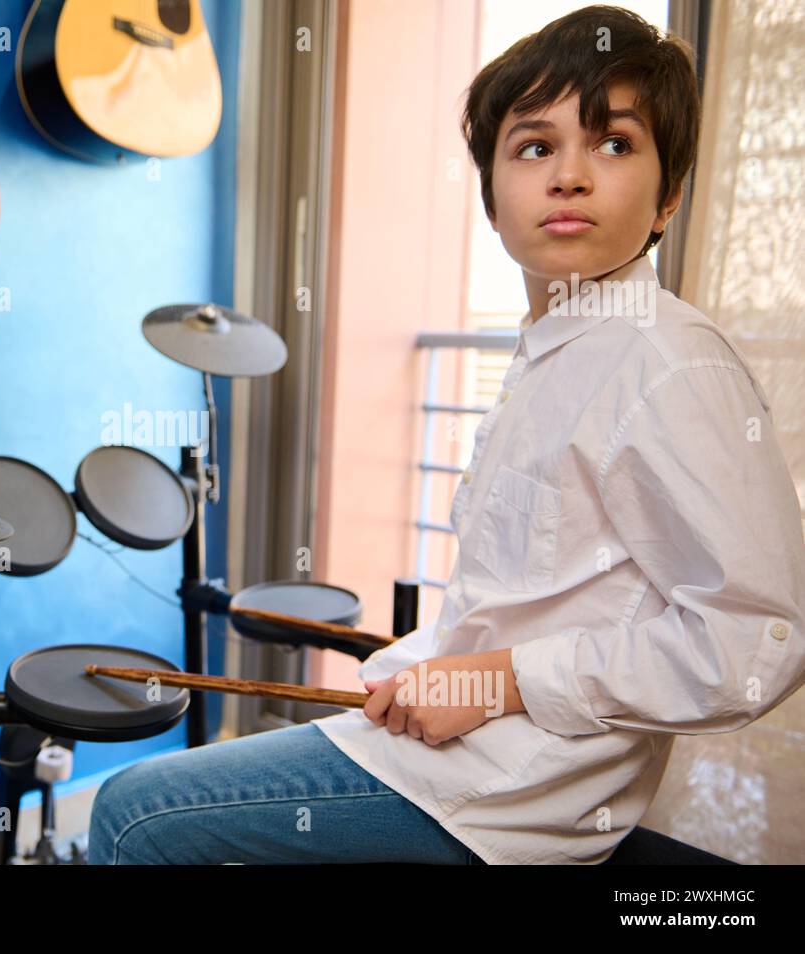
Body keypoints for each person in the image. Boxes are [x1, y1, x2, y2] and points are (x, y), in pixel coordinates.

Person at [87, 5, 805, 864]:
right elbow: (531, 597)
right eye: (535, 147)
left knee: (133, 815)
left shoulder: (671, 365)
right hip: (457, 763)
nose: (570, 175)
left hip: (507, 799)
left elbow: (758, 639)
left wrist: (495, 681)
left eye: (613, 144)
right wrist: (426, 661)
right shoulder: (555, 351)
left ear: (671, 196)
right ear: (492, 200)